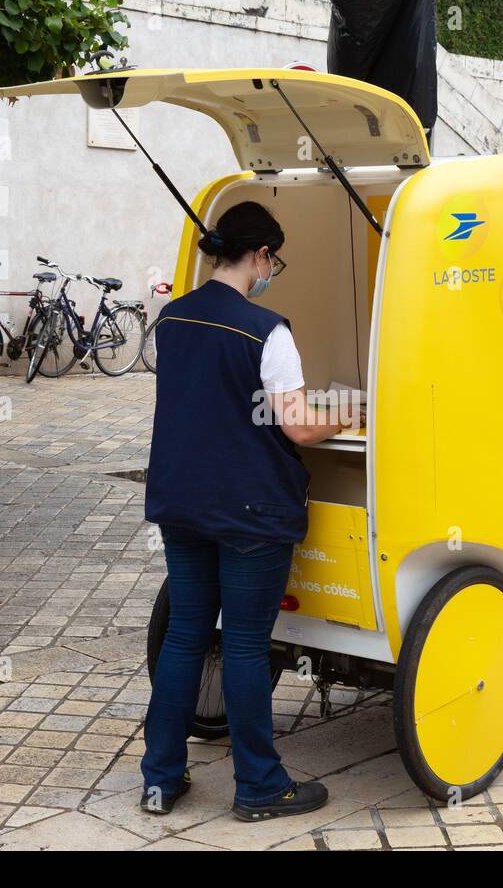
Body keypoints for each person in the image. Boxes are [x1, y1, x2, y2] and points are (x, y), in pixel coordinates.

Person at [140, 201, 357, 822]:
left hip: (183, 502)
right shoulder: (268, 331)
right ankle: (259, 785)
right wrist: (348, 410)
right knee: (243, 643)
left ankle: (160, 779)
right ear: (260, 255)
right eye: (274, 260)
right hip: (250, 511)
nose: (272, 271)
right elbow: (297, 427)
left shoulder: (173, 319)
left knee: (186, 634)